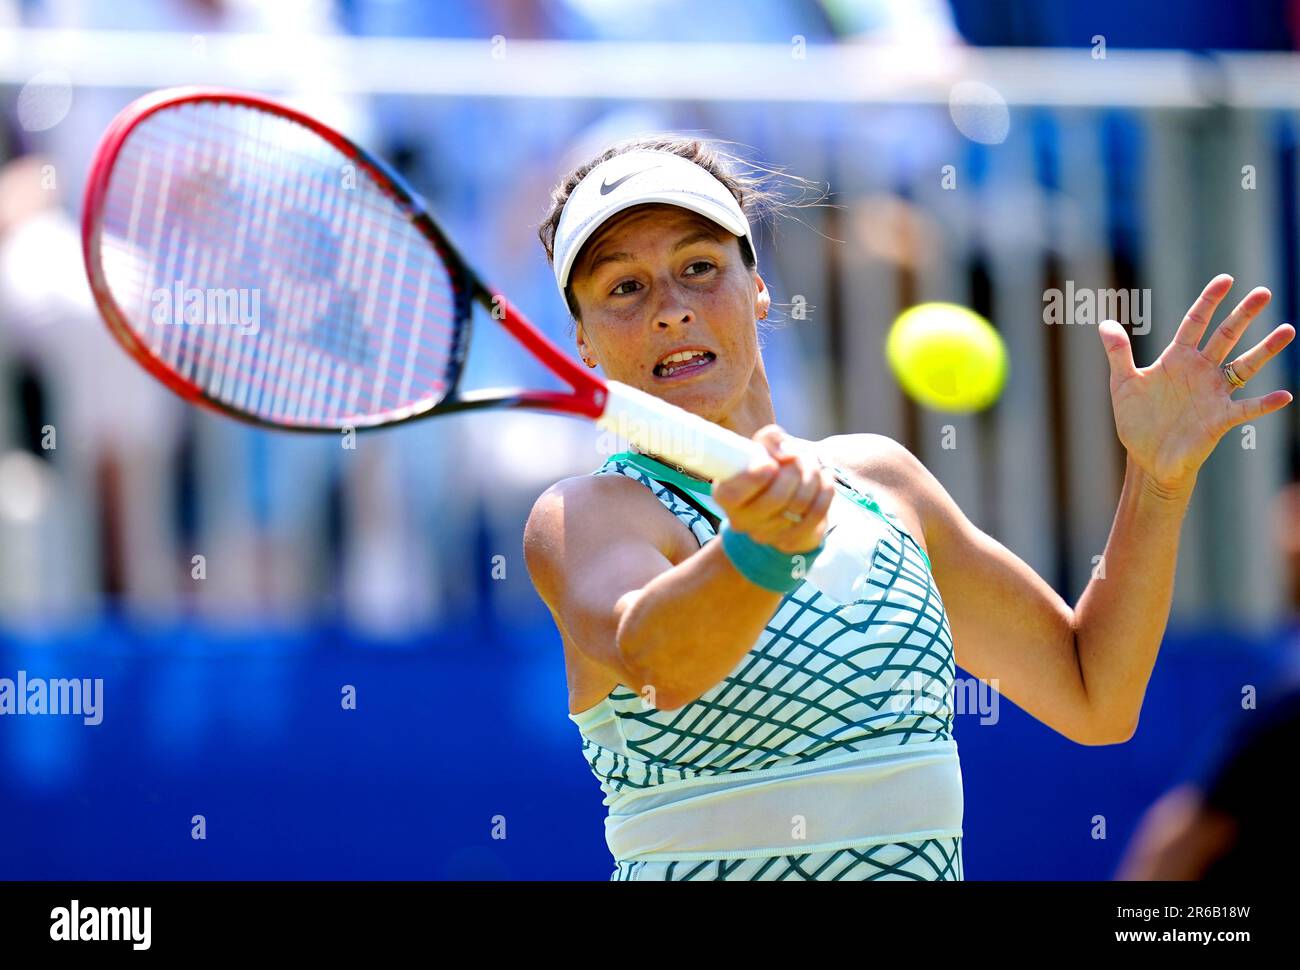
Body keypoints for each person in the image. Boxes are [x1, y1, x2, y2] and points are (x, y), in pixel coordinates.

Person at [521, 136, 1295, 881]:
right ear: (582, 339)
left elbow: (1096, 695)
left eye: (699, 267)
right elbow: (660, 666)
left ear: (757, 288)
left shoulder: (882, 482)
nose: (670, 309)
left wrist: (1157, 480)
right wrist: (761, 547)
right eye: (624, 287)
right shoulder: (586, 515)